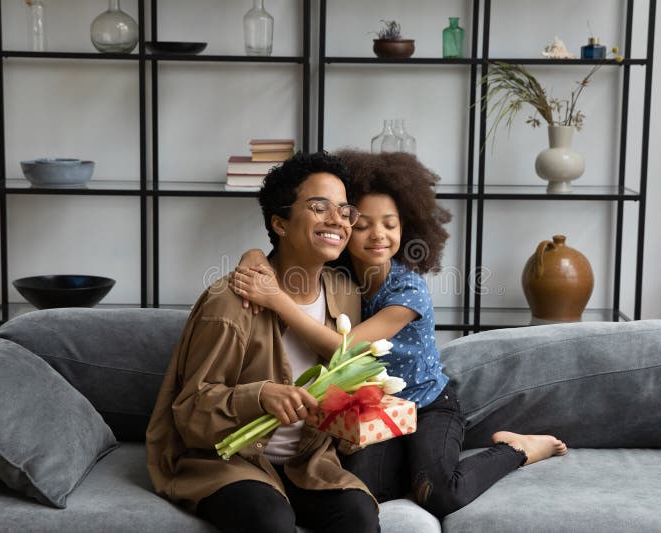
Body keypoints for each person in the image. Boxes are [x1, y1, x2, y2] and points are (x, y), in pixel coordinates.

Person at [232, 150, 567, 518]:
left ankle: (517, 449)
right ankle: (416, 465)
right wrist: (253, 255)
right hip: (377, 412)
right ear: (344, 226)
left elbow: (347, 351)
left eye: (390, 224)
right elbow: (287, 250)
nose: (378, 235)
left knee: (440, 494)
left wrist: (277, 301)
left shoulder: (408, 290)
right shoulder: (339, 279)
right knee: (359, 490)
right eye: (362, 225)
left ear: (406, 227)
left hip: (428, 407)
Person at [146, 152, 379, 533]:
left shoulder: (346, 295)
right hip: (231, 463)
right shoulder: (231, 301)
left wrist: (345, 413)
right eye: (319, 207)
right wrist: (260, 396)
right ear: (279, 222)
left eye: (344, 210)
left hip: (308, 463)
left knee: (359, 516)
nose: (337, 219)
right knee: (269, 520)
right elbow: (188, 413)